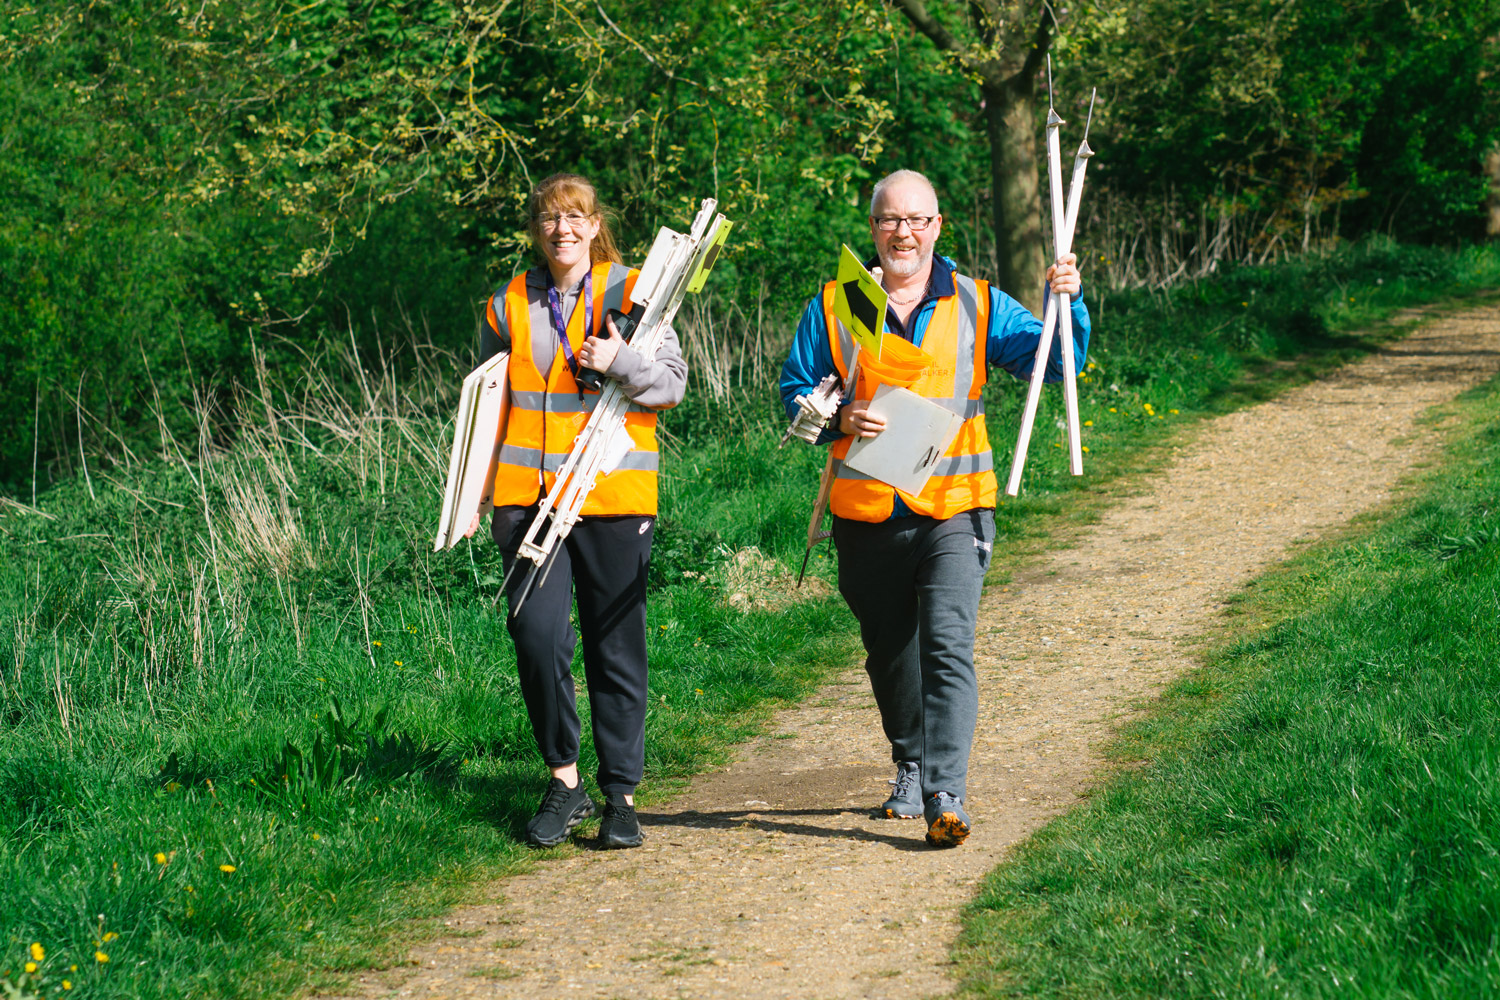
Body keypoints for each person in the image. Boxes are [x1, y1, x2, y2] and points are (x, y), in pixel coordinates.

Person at [779, 169, 1089, 848]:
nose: (904, 233)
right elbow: (796, 394)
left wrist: (1070, 304)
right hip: (865, 510)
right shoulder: (833, 305)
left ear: (938, 227)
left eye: (918, 220)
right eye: (891, 220)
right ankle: (911, 761)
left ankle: (947, 794)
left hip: (956, 506)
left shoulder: (979, 303)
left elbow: (1057, 364)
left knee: (948, 645)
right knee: (890, 653)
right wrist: (838, 417)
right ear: (873, 229)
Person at [473, 173, 687, 849]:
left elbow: (673, 384)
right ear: (536, 228)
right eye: (549, 217)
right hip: (527, 499)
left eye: (575, 217)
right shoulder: (506, 304)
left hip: (611, 494)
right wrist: (473, 494)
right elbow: (483, 406)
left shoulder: (634, 292)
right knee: (536, 636)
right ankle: (565, 782)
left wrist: (622, 360)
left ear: (596, 226)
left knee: (613, 646)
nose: (562, 228)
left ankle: (621, 794)